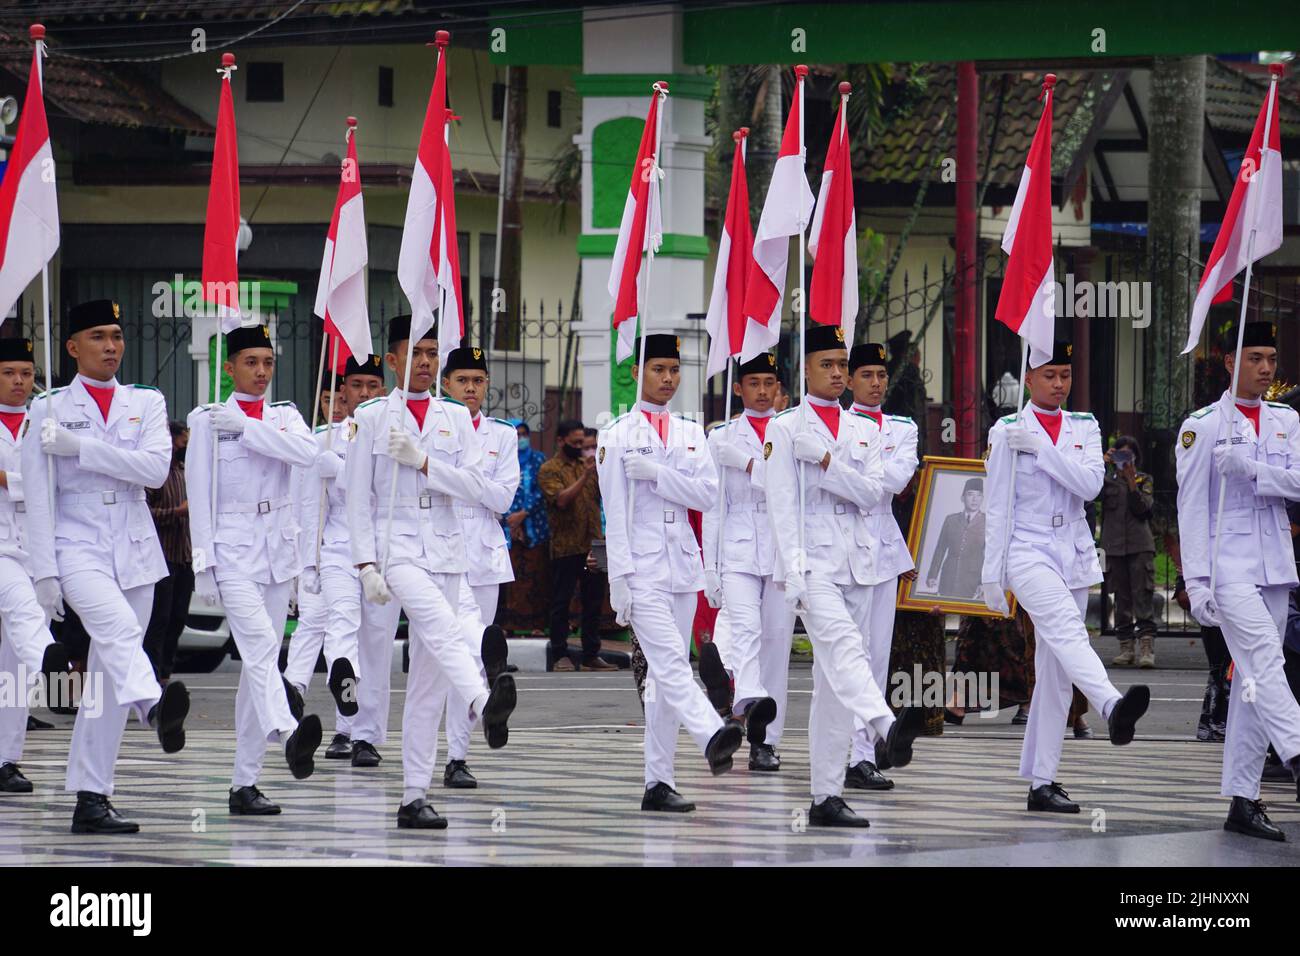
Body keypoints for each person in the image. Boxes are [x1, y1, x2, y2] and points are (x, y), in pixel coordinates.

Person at [23, 299, 191, 833]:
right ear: (73, 347)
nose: (111, 346)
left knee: (108, 677)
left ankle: (91, 797)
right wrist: (45, 572)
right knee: (119, 635)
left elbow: (154, 470)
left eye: (116, 335)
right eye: (97, 336)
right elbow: (39, 496)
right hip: (77, 541)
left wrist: (83, 447)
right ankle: (156, 705)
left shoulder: (145, 402)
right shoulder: (46, 409)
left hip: (135, 543)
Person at [344, 315, 516, 829]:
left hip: (445, 548)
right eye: (414, 353)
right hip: (395, 548)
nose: (423, 362)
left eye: (431, 353)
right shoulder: (372, 416)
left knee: (428, 682)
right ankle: (485, 701)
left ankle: (413, 795)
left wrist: (423, 462)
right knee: (442, 627)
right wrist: (364, 564)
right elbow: (356, 498)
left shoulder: (455, 418)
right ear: (393, 360)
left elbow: (474, 487)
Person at [765, 324, 926, 828]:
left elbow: (872, 494)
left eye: (841, 365)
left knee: (833, 682)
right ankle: (884, 726)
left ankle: (825, 796)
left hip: (859, 562)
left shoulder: (866, 430)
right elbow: (781, 506)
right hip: (809, 563)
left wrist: (829, 460)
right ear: (806, 369)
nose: (837, 373)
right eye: (827, 365)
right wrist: (792, 569)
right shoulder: (785, 428)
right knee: (844, 648)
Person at [982, 339, 1150, 815]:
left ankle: (1042, 781)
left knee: (1055, 672)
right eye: (1049, 375)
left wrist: (1043, 449)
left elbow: (1092, 485)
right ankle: (1111, 704)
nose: (1059, 384)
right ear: (1029, 378)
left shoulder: (1084, 427)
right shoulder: (1006, 430)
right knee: (1067, 630)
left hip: (1071, 549)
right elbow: (996, 506)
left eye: (1065, 376)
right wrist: (992, 574)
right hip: (1027, 548)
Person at [596, 333, 745, 812]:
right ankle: (711, 733)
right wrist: (618, 577)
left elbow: (706, 496)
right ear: (638, 372)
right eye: (658, 369)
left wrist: (660, 476)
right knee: (670, 664)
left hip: (681, 561)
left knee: (663, 679)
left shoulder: (690, 432)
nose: (667, 379)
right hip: (639, 565)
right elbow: (614, 513)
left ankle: (657, 782)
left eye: (674, 371)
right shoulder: (616, 434)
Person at [186, 324, 324, 815]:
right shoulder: (206, 419)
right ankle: (288, 730)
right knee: (262, 648)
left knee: (255, 670)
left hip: (276, 551)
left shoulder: (285, 417)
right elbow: (198, 492)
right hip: (233, 549)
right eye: (251, 362)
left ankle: (244, 783)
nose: (261, 372)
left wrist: (247, 429)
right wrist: (203, 563)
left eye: (268, 362)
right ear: (230, 367)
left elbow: (311, 455)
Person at [1175, 320, 1300, 841]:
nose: (1266, 368)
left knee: (1252, 683)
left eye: (1270, 357)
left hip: (1273, 561)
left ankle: (1243, 799)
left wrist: (1251, 469)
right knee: (1266, 660)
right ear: (1230, 362)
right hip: (1228, 566)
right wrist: (1197, 581)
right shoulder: (1203, 425)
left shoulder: (1286, 420)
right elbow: (1190, 508)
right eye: (1254, 358)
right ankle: (1297, 751)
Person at [433, 345, 520, 789]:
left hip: (483, 550)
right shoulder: (433, 425)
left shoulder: (502, 435)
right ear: (446, 384)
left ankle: (457, 756)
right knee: (461, 651)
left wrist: (458, 482)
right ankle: (459, 745)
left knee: (468, 654)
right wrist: (476, 485)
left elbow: (504, 499)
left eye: (478, 381)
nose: (471, 388)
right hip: (442, 543)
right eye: (462, 380)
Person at [701, 351, 791, 772]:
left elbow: (790, 493)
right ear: (738, 389)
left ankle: (764, 741)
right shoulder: (720, 437)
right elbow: (714, 507)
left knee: (776, 645)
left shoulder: (791, 432)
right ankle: (746, 706)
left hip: (779, 548)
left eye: (769, 384)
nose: (762, 392)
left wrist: (751, 463)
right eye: (753, 384)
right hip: (737, 547)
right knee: (747, 630)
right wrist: (710, 565)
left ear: (778, 388)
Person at [287, 358, 377, 761]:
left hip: (386, 545)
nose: (364, 393)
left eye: (373, 385)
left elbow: (380, 492)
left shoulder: (395, 433)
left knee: (370, 640)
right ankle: (337, 715)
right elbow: (307, 508)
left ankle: (354, 730)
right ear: (344, 391)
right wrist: (305, 565)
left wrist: (339, 471)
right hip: (339, 543)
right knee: (337, 623)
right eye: (356, 385)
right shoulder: (324, 439)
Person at [844, 342, 920, 790]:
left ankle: (862, 754)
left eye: (881, 375)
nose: (876, 383)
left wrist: (849, 472)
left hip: (884, 549)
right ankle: (850, 749)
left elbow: (893, 481)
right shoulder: (837, 424)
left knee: (876, 657)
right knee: (848, 656)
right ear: (850, 380)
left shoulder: (902, 428)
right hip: (845, 548)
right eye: (866, 375)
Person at [0, 337, 72, 794]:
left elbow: (61, 481)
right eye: (9, 373)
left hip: (37, 547)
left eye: (26, 373)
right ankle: (51, 658)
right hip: (1, 546)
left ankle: (6, 759)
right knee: (25, 614)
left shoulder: (45, 421)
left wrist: (9, 479)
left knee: (13, 669)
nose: (20, 381)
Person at [539, 418, 613, 671]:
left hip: (593, 545)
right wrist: (585, 476)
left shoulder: (589, 466)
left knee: (593, 602)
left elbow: (606, 497)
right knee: (561, 602)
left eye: (584, 443)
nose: (581, 447)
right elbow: (561, 500)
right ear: (561, 441)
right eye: (576, 443)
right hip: (566, 546)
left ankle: (591, 654)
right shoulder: (550, 469)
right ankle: (560, 654)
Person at [143, 421, 193, 683]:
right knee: (158, 621)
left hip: (184, 557)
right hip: (160, 557)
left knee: (177, 619)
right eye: (182, 441)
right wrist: (177, 512)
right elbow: (143, 512)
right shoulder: (156, 475)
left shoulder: (185, 472)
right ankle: (150, 677)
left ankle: (164, 675)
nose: (185, 446)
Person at [1102, 435, 1157, 668]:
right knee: (1121, 600)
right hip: (1114, 547)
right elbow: (1089, 493)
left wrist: (1131, 481)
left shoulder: (1145, 479)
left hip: (1139, 546)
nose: (1125, 459)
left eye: (1129, 455)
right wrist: (1101, 465)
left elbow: (1143, 508)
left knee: (1142, 597)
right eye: (1120, 454)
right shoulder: (1105, 480)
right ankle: (1126, 648)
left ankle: (1146, 648)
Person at [503, 420, 550, 634]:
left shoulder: (538, 459)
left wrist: (523, 514)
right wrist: (509, 518)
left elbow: (543, 490)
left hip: (535, 526)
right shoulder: (501, 460)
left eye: (523, 433)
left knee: (536, 575)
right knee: (510, 577)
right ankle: (509, 624)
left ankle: (536, 625)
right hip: (507, 527)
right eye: (516, 434)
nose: (521, 438)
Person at [925, 478, 985, 599]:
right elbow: (940, 549)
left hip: (973, 583)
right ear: (962, 498)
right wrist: (932, 575)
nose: (974, 499)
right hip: (948, 578)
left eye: (979, 495)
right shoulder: (950, 520)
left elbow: (991, 556)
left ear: (982, 499)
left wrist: (984, 583)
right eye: (970, 494)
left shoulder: (988, 522)